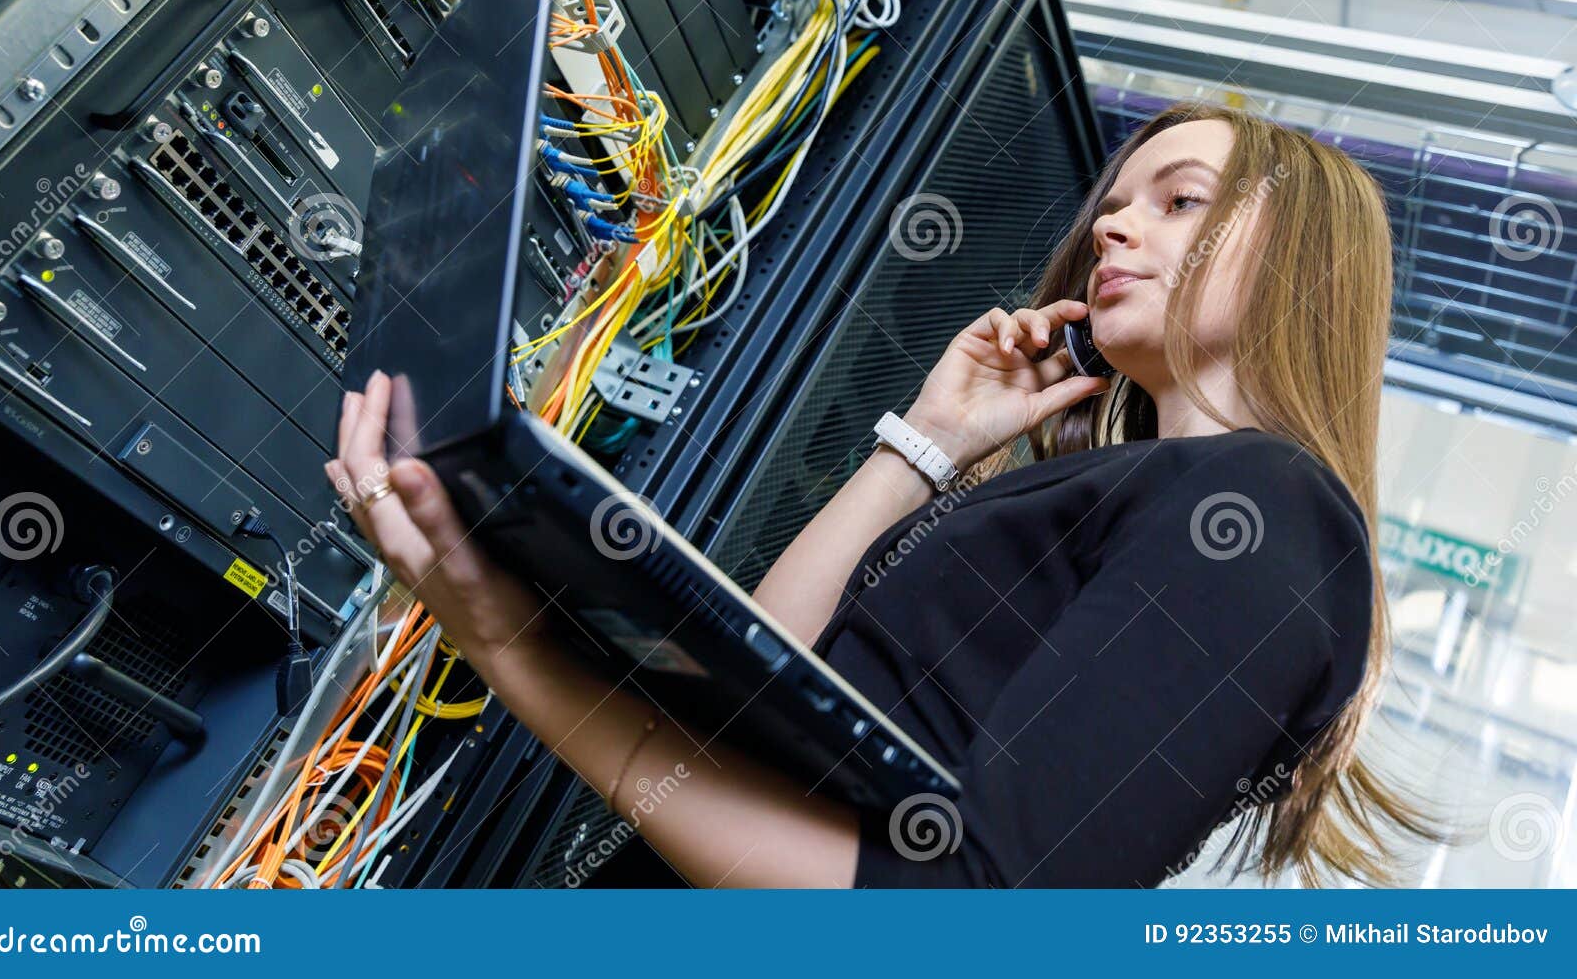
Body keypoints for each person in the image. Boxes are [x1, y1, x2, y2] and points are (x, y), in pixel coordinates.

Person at [325, 102, 1435, 888]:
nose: (1110, 224)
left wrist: (509, 641)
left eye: (1181, 199)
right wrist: (926, 443)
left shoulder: (1268, 509)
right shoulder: (1130, 486)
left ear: (1302, 260)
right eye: (1112, 203)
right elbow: (756, 683)